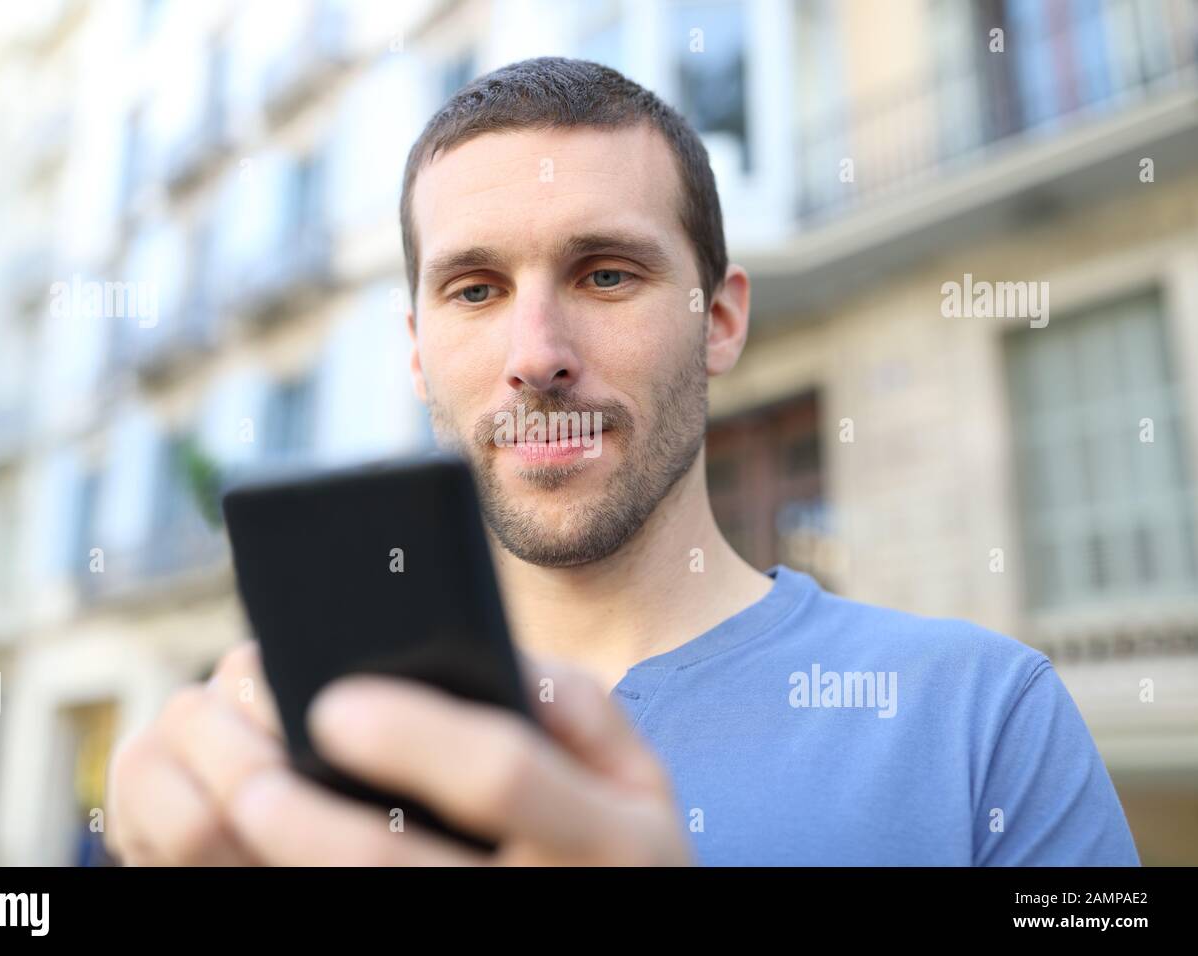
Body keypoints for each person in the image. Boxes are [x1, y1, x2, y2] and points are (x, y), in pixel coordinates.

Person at [106, 57, 1140, 866]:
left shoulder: (986, 719)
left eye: (605, 274)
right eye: (474, 289)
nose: (536, 355)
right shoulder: (291, 755)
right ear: (417, 354)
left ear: (720, 318)